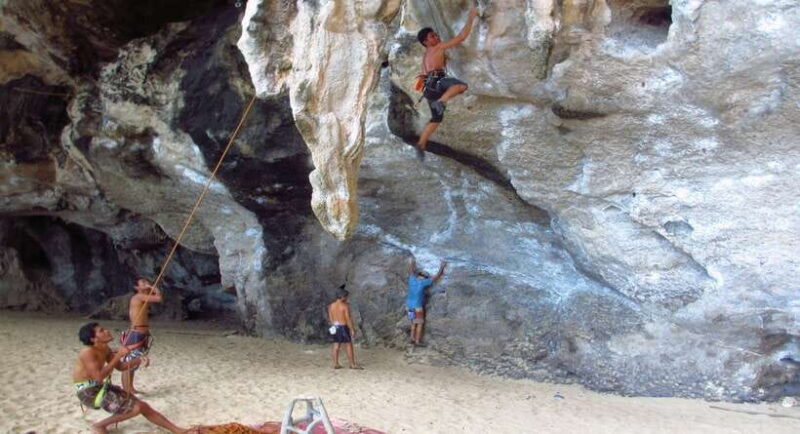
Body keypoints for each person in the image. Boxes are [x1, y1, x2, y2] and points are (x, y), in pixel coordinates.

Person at [73, 322, 187, 434]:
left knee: (143, 406)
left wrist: (138, 360)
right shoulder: (87, 352)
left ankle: (177, 430)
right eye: (101, 331)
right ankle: (99, 426)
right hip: (88, 392)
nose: (107, 330)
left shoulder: (105, 349)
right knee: (135, 409)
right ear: (93, 339)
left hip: (100, 387)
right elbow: (98, 377)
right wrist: (118, 355)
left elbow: (121, 367)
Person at [415, 7, 479, 160]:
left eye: (435, 34)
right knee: (461, 86)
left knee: (436, 119)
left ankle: (421, 144)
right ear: (426, 42)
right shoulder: (437, 47)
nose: (436, 37)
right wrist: (471, 16)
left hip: (428, 88)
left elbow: (425, 73)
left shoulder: (427, 55)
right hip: (437, 82)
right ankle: (441, 102)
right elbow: (462, 37)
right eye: (432, 36)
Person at [122, 277, 162, 394]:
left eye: (147, 282)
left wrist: (150, 288)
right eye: (143, 283)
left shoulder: (143, 298)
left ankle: (130, 388)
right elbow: (158, 298)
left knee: (133, 362)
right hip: (136, 333)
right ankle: (127, 389)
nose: (147, 283)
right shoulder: (138, 296)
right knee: (130, 362)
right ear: (137, 288)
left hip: (139, 332)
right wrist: (153, 288)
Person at [406, 258, 447, 345]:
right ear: (423, 277)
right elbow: (436, 277)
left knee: (413, 322)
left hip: (409, 306)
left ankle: (412, 338)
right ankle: (417, 341)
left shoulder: (412, 280)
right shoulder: (423, 283)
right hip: (417, 307)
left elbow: (410, 270)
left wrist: (413, 262)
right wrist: (442, 267)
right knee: (419, 323)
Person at [327, 286, 362, 369]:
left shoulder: (331, 306)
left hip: (335, 326)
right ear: (342, 297)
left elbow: (330, 318)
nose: (347, 298)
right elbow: (348, 319)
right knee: (348, 345)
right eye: (346, 297)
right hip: (343, 327)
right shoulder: (345, 306)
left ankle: (336, 363)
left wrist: (333, 326)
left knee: (336, 345)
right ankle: (352, 364)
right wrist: (352, 329)